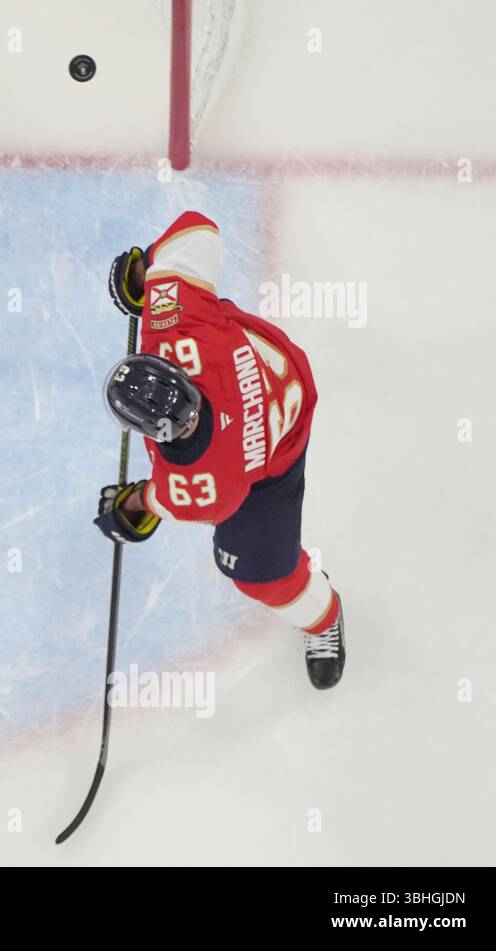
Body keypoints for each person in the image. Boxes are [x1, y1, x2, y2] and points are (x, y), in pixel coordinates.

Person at [96, 211, 345, 689]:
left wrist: (128, 511)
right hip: (285, 370)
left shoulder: (203, 489)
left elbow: (157, 499)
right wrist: (146, 275)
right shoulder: (176, 323)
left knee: (263, 577)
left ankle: (324, 616)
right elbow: (198, 227)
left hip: (276, 460)